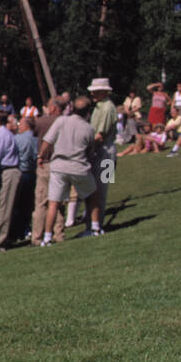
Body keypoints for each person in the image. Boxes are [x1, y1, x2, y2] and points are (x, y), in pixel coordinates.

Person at [39, 96, 101, 243]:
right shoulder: (89, 128)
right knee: (94, 195)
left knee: (54, 202)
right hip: (84, 164)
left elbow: (47, 141)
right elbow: (91, 150)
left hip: (59, 165)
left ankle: (47, 238)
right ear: (88, 112)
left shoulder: (61, 121)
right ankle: (95, 228)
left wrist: (40, 156)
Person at [31, 96, 67, 246]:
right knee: (59, 201)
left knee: (42, 202)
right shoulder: (66, 121)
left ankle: (37, 236)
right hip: (62, 163)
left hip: (45, 163)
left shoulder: (42, 121)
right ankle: (59, 234)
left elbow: (34, 131)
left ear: (53, 107)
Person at [0, 109, 22, 249]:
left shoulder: (1, 135)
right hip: (6, 171)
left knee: (4, 206)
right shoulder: (2, 134)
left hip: (9, 171)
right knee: (1, 205)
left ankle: (1, 240)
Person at [86, 78, 117, 228]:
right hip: (101, 151)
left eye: (95, 91)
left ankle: (97, 224)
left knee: (101, 188)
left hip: (106, 152)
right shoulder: (99, 106)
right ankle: (94, 222)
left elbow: (100, 135)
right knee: (96, 188)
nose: (92, 93)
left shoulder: (107, 108)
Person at [12, 116, 38, 243]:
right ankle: (28, 228)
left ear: (26, 125)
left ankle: (18, 231)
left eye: (20, 124)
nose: (18, 126)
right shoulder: (36, 138)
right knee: (29, 203)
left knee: (18, 203)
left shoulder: (17, 139)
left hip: (21, 172)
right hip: (33, 173)